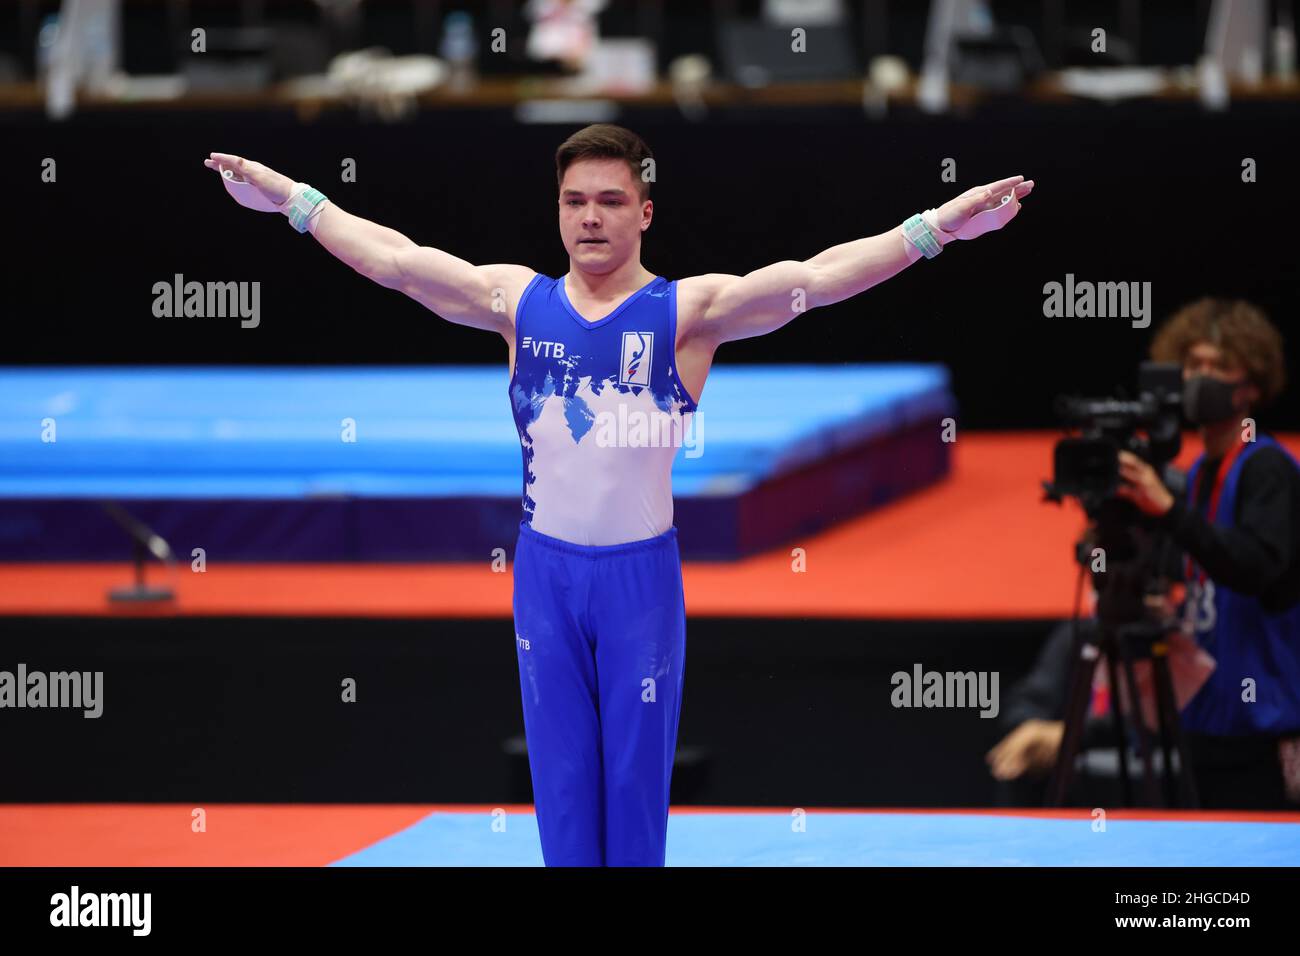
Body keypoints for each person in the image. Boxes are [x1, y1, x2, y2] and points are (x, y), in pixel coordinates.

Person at [206, 124, 1034, 864]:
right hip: (545, 574)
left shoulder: (690, 312)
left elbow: (815, 280)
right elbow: (393, 260)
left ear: (644, 213)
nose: (590, 218)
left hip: (639, 582)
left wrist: (940, 229)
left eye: (610, 200)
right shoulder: (514, 301)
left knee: (635, 783)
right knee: (561, 780)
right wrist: (291, 198)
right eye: (574, 201)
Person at [1115, 298, 1300, 808]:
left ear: (1252, 384)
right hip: (1207, 716)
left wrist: (1170, 510)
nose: (1201, 376)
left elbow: (1253, 567)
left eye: (1218, 366)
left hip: (1262, 720)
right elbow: (1204, 568)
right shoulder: (1199, 472)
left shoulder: (1267, 468)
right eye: (1193, 364)